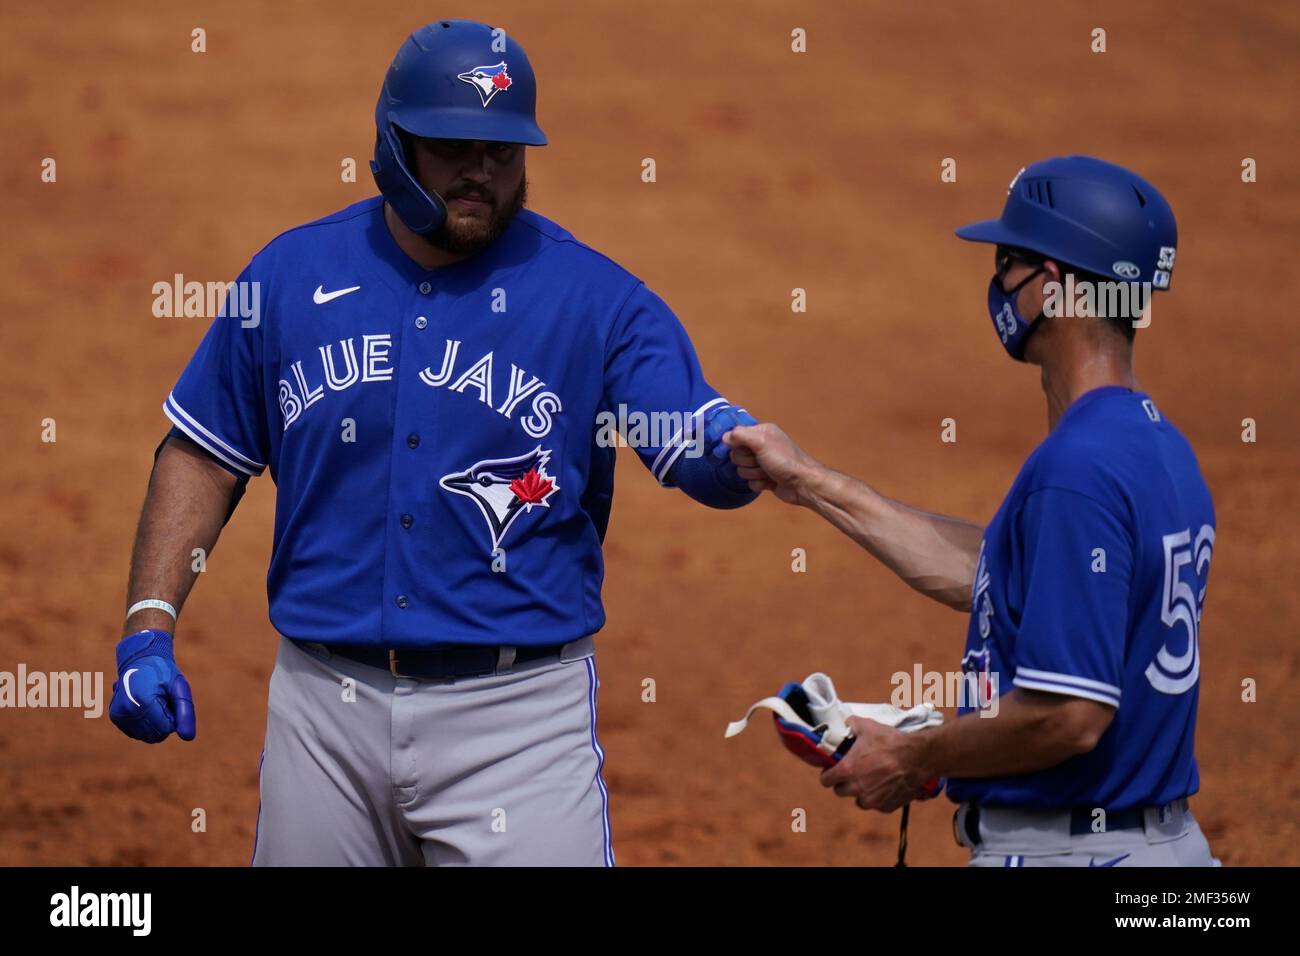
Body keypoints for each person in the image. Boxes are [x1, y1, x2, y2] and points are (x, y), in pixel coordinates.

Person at [108, 19, 757, 867]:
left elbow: (692, 444)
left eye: (504, 152)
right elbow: (204, 453)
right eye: (455, 147)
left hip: (517, 725)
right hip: (323, 713)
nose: (481, 173)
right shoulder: (288, 277)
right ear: (391, 145)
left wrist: (729, 449)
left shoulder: (597, 300)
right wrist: (148, 625)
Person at [725, 156, 1219, 867]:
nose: (997, 284)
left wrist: (911, 752)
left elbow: (1068, 718)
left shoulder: (1074, 469)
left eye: (1008, 262)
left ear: (1053, 286)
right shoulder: (1156, 446)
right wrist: (808, 481)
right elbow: (1008, 575)